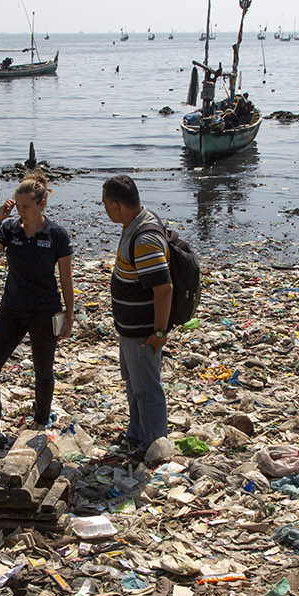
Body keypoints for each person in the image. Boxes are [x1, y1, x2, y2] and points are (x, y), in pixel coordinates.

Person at [0, 171, 74, 446]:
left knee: (43, 370)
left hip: (45, 310)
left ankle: (41, 420)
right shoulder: (10, 229)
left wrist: (69, 317)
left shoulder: (56, 235)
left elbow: (66, 278)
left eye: (26, 206)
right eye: (17, 206)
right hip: (12, 309)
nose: (21, 211)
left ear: (42, 204)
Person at [101, 175, 172, 454]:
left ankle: (153, 445)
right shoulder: (135, 222)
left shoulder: (144, 238)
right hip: (129, 329)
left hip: (143, 331)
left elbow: (164, 289)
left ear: (117, 206)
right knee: (134, 385)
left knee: (146, 389)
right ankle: (137, 435)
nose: (105, 209)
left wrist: (159, 333)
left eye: (106, 204)